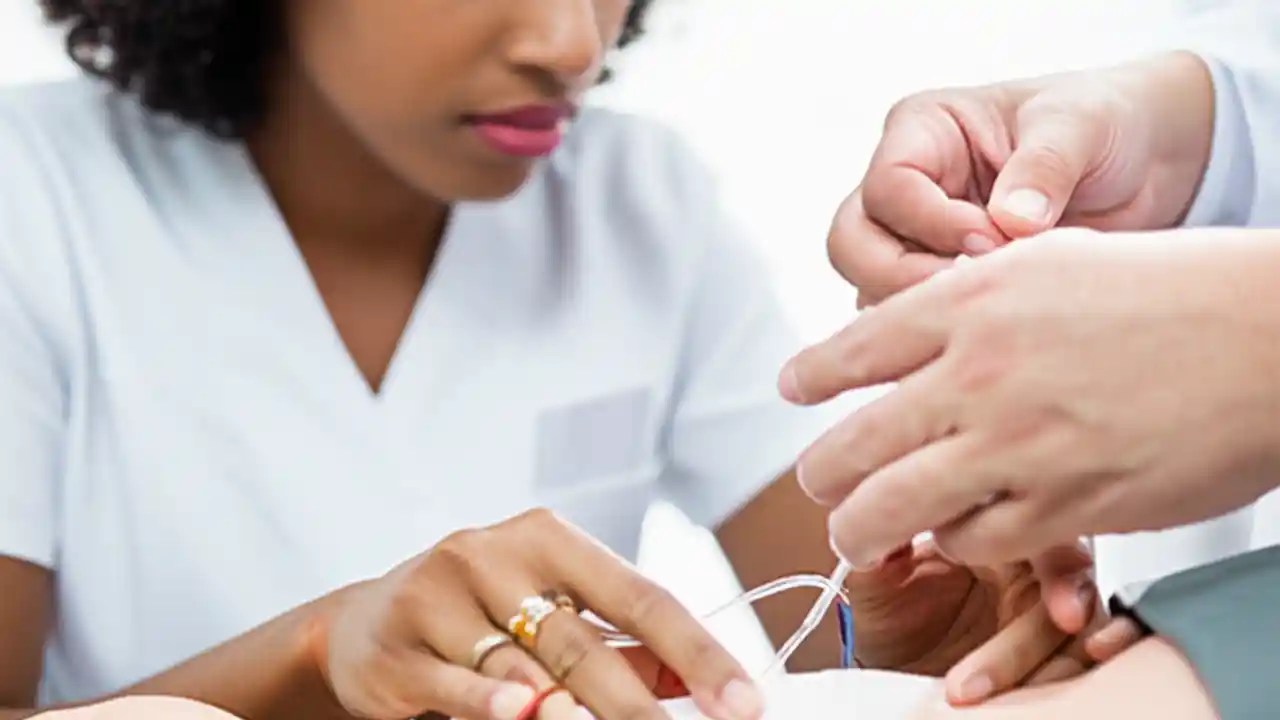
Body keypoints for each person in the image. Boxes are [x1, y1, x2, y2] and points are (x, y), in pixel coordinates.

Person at [0, 1, 1100, 718]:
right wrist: (321, 654)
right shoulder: (34, 198)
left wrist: (922, 651)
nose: (571, 43)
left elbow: (839, 619)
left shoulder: (638, 207)